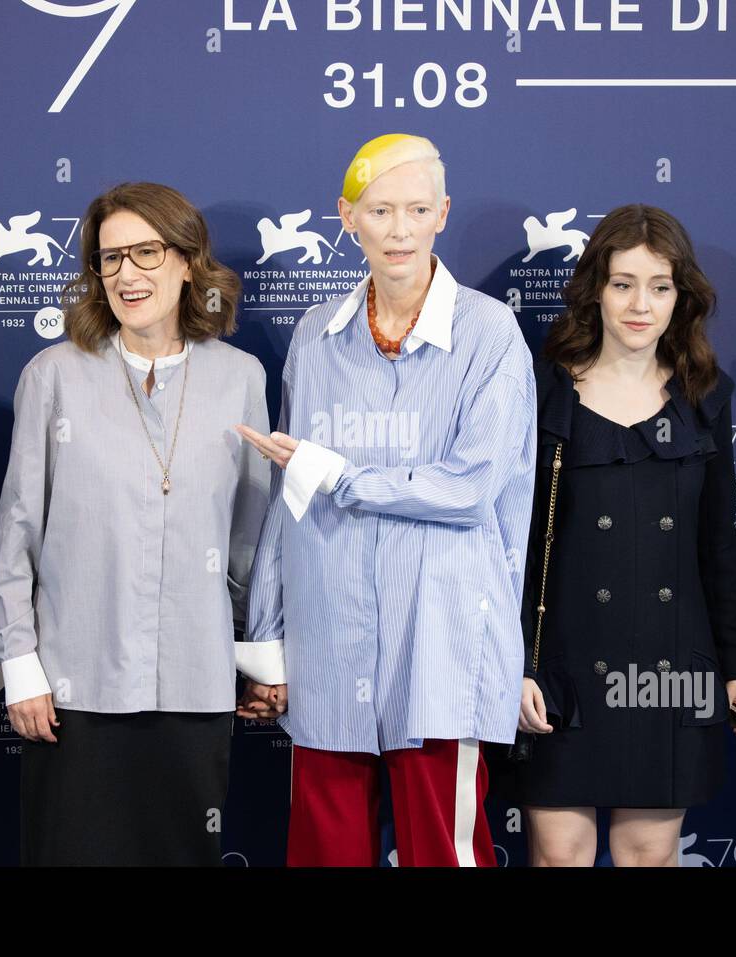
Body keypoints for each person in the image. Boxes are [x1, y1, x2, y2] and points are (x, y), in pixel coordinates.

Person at [236, 133, 536, 867]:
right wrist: (266, 641)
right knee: (324, 854)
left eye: (417, 209)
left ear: (443, 213)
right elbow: (289, 495)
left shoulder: (491, 333)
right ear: (347, 217)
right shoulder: (315, 335)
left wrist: (342, 473)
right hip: (329, 645)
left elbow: (469, 489)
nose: (398, 228)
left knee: (444, 852)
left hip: (441, 646)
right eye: (379, 210)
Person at [0, 182, 269, 866]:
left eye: (146, 252)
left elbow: (253, 541)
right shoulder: (53, 374)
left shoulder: (241, 378)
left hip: (195, 687)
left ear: (188, 261)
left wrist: (259, 648)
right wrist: (20, 664)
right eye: (109, 259)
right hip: (74, 689)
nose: (127, 274)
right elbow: (17, 529)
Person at [516, 205, 736, 867]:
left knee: (648, 853)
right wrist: (516, 665)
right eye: (623, 283)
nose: (639, 303)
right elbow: (511, 544)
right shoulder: (542, 393)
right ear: (596, 287)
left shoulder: (703, 397)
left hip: (670, 669)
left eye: (659, 285)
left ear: (681, 296)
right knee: (560, 852)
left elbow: (718, 548)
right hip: (561, 663)